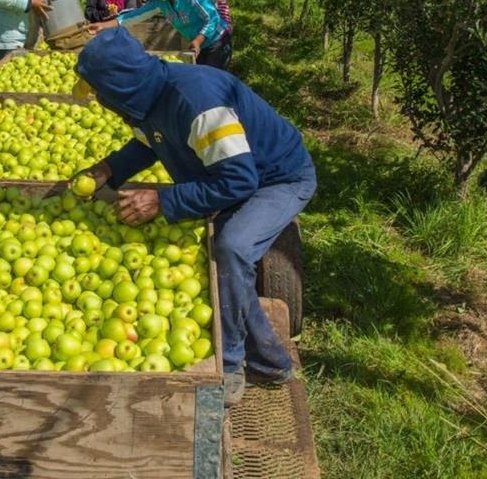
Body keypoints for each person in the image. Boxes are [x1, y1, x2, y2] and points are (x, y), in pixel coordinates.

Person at [74, 28, 317, 408]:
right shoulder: (146, 98)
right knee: (222, 265)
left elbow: (239, 179)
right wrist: (109, 169)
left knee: (231, 248)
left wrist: (163, 201)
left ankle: (231, 365)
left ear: (119, 87)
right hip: (229, 173)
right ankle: (272, 361)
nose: (101, 104)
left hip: (278, 178)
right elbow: (147, 143)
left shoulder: (198, 103)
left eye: (102, 95)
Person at [89, 0, 232, 69]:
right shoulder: (160, 2)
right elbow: (132, 16)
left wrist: (198, 41)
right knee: (202, 79)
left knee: (212, 80)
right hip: (198, 45)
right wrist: (102, 25)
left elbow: (212, 18)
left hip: (217, 41)